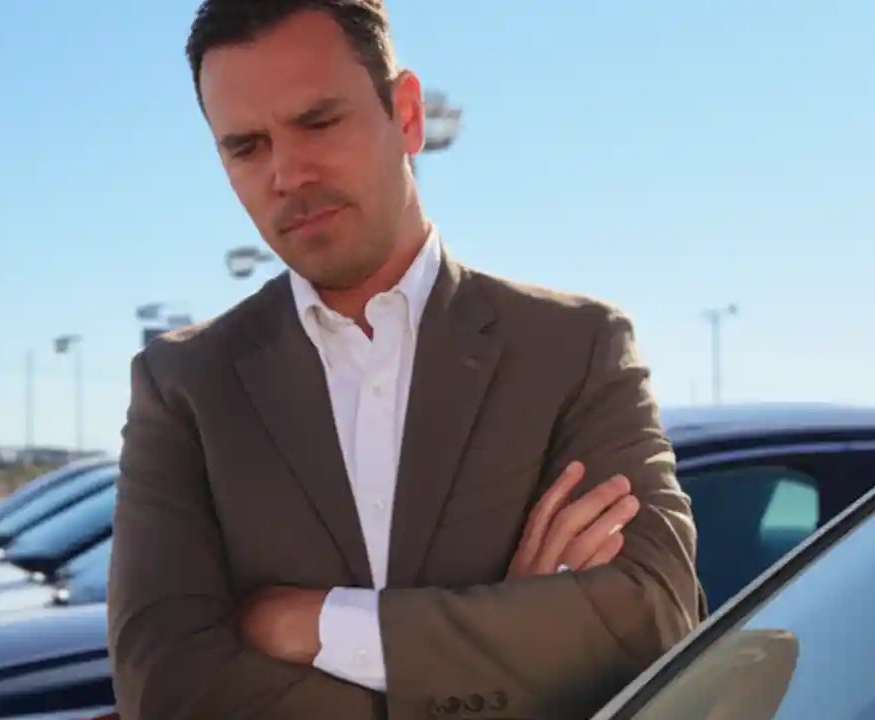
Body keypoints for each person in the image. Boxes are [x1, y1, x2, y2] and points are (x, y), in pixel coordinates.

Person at [108, 1, 703, 718]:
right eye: (247, 148)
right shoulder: (184, 386)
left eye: (318, 122)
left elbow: (653, 618)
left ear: (408, 115)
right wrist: (509, 633)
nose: (287, 173)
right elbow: (165, 687)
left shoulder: (574, 349)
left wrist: (317, 625)